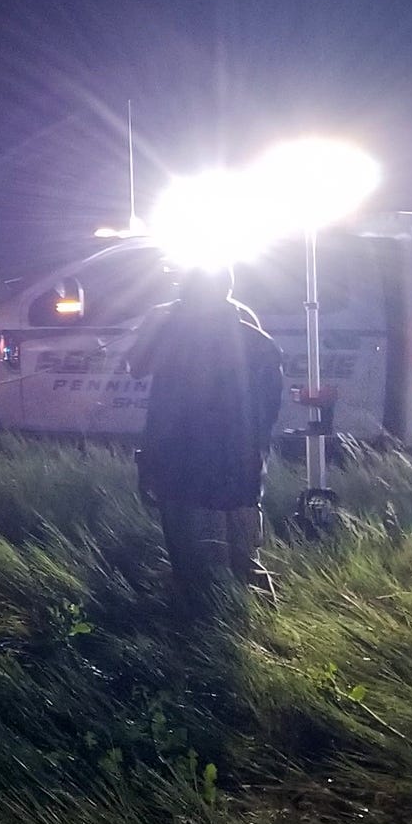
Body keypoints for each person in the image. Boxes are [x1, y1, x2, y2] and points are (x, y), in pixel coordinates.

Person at [129, 263, 286, 616]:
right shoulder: (260, 342)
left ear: (188, 294)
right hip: (243, 474)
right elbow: (270, 414)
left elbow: (136, 365)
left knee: (192, 562)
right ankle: (262, 628)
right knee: (245, 561)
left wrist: (160, 318)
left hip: (183, 470)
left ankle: (200, 636)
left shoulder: (173, 338)